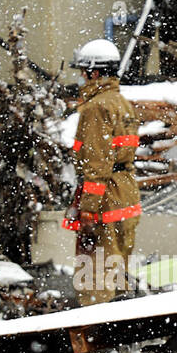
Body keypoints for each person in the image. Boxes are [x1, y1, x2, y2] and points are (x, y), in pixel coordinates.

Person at [61, 39, 141, 305]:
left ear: (95, 72)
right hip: (125, 193)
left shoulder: (96, 107)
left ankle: (97, 334)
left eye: (84, 72)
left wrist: (88, 209)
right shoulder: (122, 103)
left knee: (94, 278)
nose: (82, 78)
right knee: (117, 270)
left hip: (104, 198)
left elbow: (97, 162)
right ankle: (121, 334)